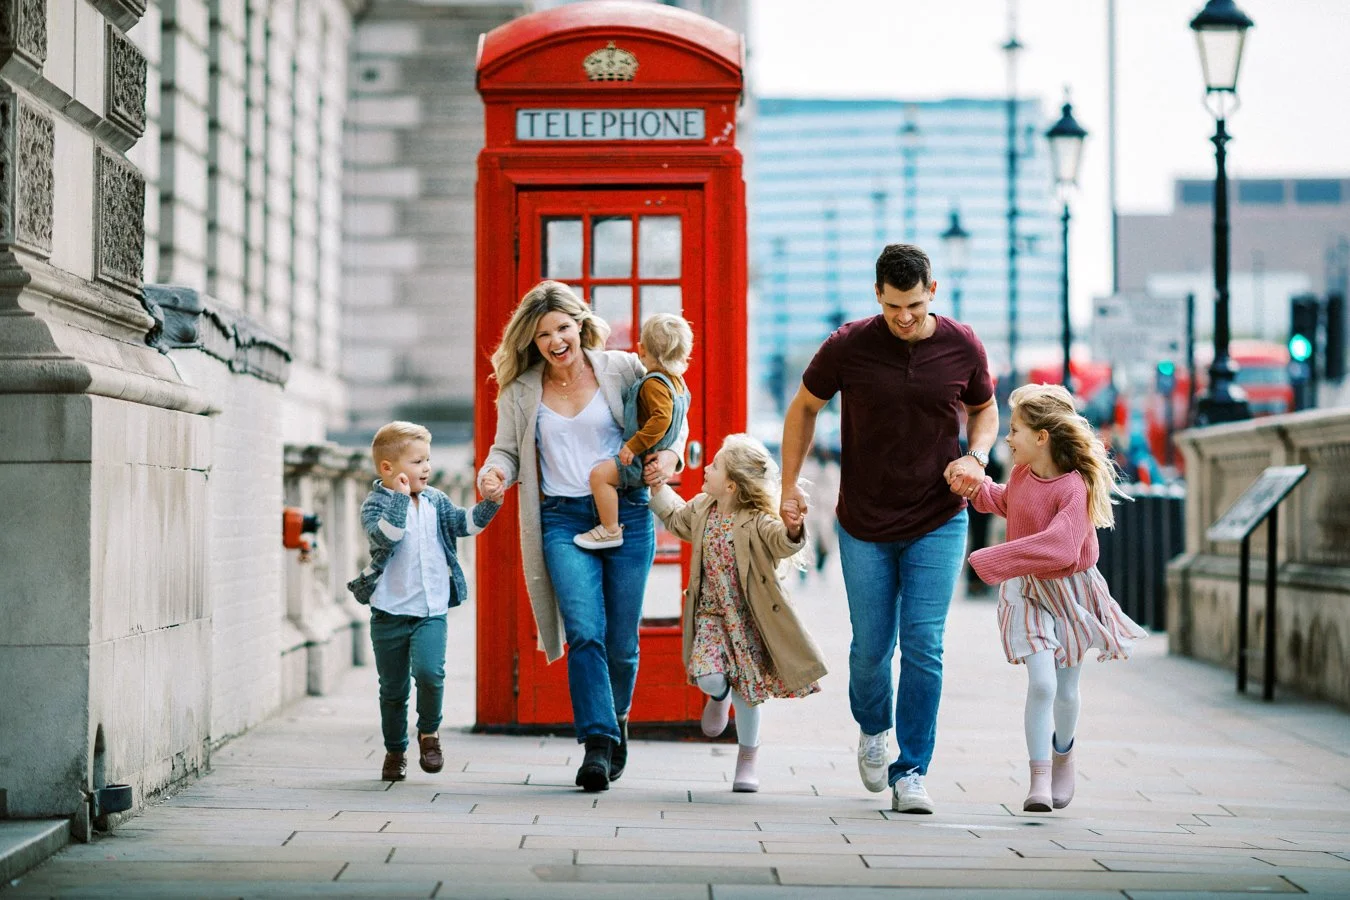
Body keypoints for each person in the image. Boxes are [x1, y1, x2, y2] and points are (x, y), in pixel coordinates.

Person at [779, 243, 999, 815]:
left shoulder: (961, 343)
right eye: (896, 305)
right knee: (873, 650)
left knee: (924, 645)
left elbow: (986, 408)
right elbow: (804, 408)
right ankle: (874, 727)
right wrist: (789, 487)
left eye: (917, 306)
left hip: (938, 518)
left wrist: (976, 457)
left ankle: (913, 770)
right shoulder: (848, 345)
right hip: (865, 523)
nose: (906, 317)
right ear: (878, 294)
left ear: (934, 294)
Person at [477, 281, 684, 793]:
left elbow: (670, 418)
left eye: (563, 327)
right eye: (543, 333)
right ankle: (596, 741)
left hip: (628, 514)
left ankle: (617, 723)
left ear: (580, 325)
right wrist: (493, 472)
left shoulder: (620, 369)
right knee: (585, 629)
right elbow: (505, 450)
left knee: (621, 638)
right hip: (563, 520)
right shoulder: (521, 390)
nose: (555, 340)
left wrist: (671, 458)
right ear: (531, 340)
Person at [960, 383, 1147, 812]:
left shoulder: (1074, 487)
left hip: (1069, 590)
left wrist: (992, 558)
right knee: (1041, 683)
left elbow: (1060, 547)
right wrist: (974, 487)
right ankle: (1039, 779)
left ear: (1041, 437)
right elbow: (1011, 503)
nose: (1007, 438)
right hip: (1026, 588)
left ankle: (1064, 753)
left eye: (1015, 430)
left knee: (1065, 688)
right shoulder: (1023, 473)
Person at [649, 434, 827, 793]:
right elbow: (676, 517)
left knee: (748, 694)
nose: (707, 468)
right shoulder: (702, 509)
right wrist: (658, 487)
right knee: (710, 677)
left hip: (748, 619)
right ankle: (717, 696)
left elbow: (781, 540)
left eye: (714, 466)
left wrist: (793, 528)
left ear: (730, 484)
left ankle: (747, 759)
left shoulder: (757, 520)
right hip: (712, 616)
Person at [347, 421, 504, 782]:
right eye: (418, 462)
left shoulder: (436, 500)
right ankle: (395, 750)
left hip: (431, 609)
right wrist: (401, 499)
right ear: (388, 469)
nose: (427, 468)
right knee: (393, 689)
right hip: (388, 611)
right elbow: (387, 537)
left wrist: (490, 504)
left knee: (431, 674)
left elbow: (464, 524)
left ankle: (429, 734)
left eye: (428, 460)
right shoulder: (374, 505)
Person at [575, 313, 693, 550]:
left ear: (642, 351)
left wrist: (633, 446)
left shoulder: (653, 384)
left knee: (600, 476)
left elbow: (661, 419)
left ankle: (610, 528)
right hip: (649, 459)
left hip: (638, 459)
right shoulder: (678, 383)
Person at [964, 444, 1006, 597]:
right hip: (980, 506)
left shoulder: (968, 448)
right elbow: (996, 469)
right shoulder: (987, 452)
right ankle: (977, 581)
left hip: (980, 503)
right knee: (979, 542)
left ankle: (976, 581)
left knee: (978, 542)